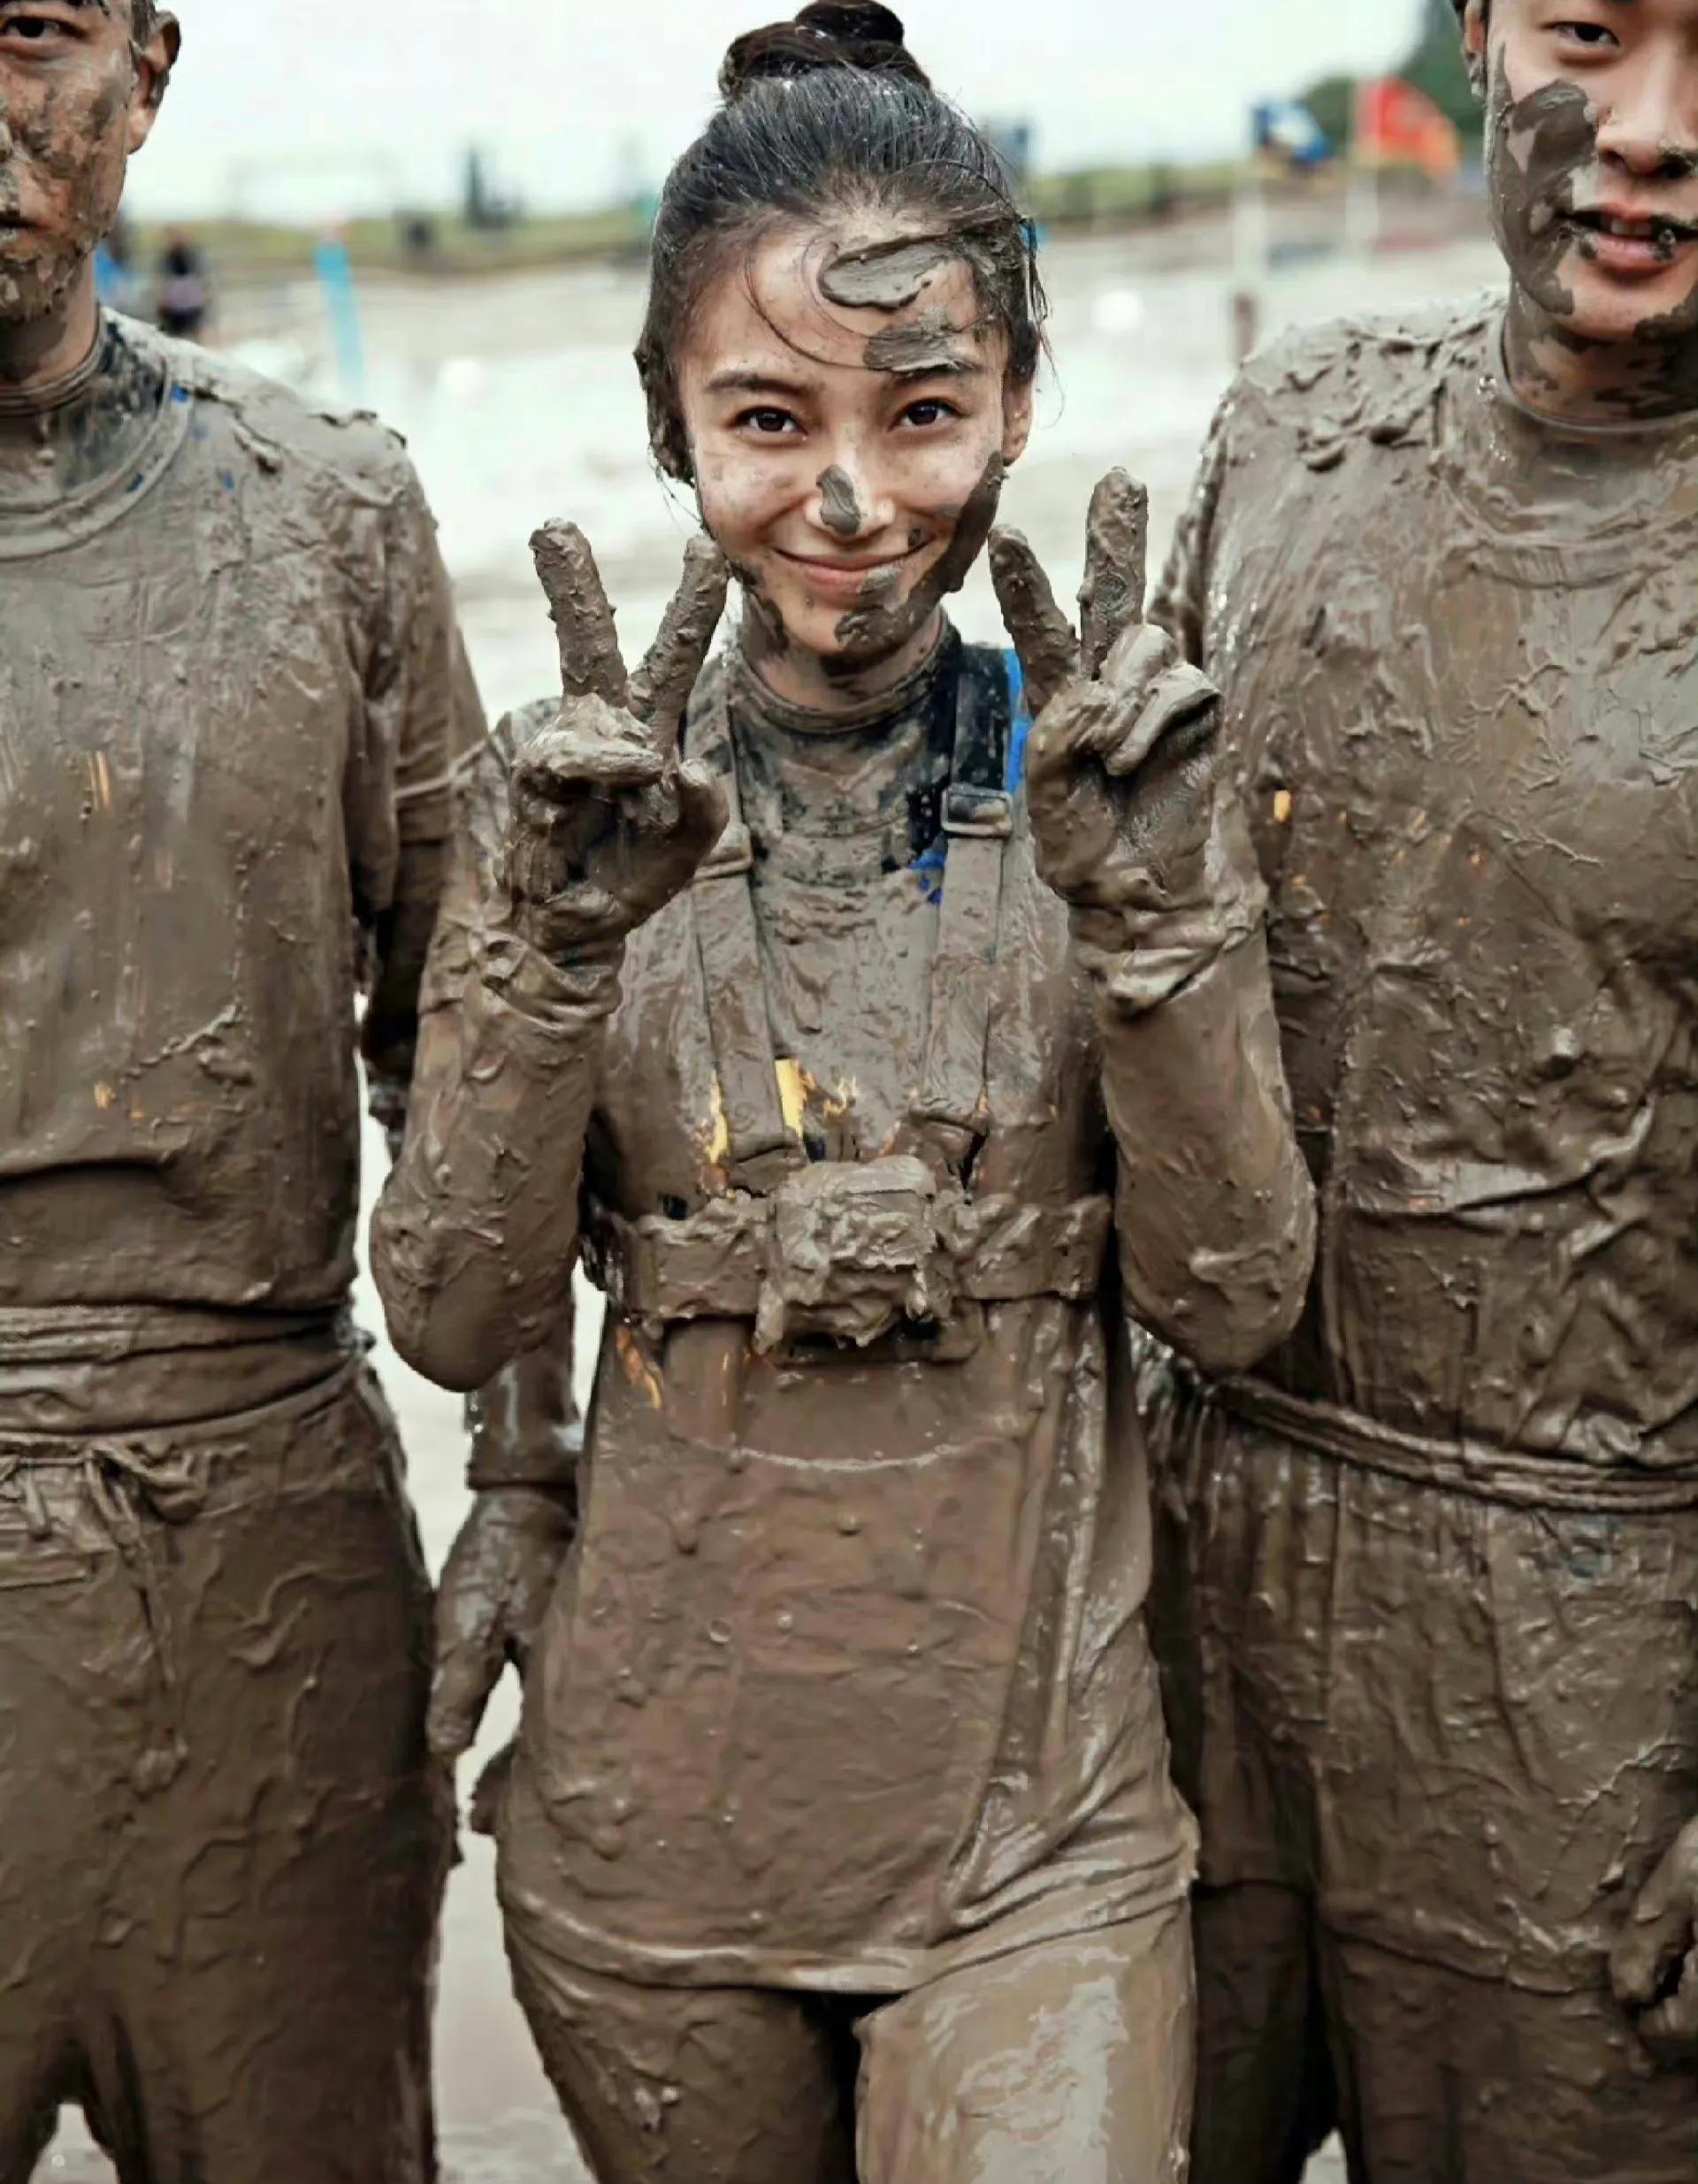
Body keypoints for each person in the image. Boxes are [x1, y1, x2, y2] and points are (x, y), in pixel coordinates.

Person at [374, 7, 1316, 2179]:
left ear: (1010, 415)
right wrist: (543, 952)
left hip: (1035, 1837)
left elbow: (1243, 1299)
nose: (848, 499)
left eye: (923, 413)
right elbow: (444, 1307)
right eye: (768, 417)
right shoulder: (574, 804)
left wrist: (1157, 928)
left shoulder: (1123, 781)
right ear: (670, 424)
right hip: (652, 1864)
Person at [1147, 0, 1698, 2177]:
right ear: (1481, 32)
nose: (1653, 134)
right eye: (1594, 28)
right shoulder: (1289, 438)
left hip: (1592, 1668)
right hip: (1191, 1606)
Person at [0, 3, 480, 2178]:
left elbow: (470, 1040)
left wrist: (542, 1484)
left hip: (263, 1554)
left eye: (26, 36)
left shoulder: (330, 511)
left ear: (142, 70)